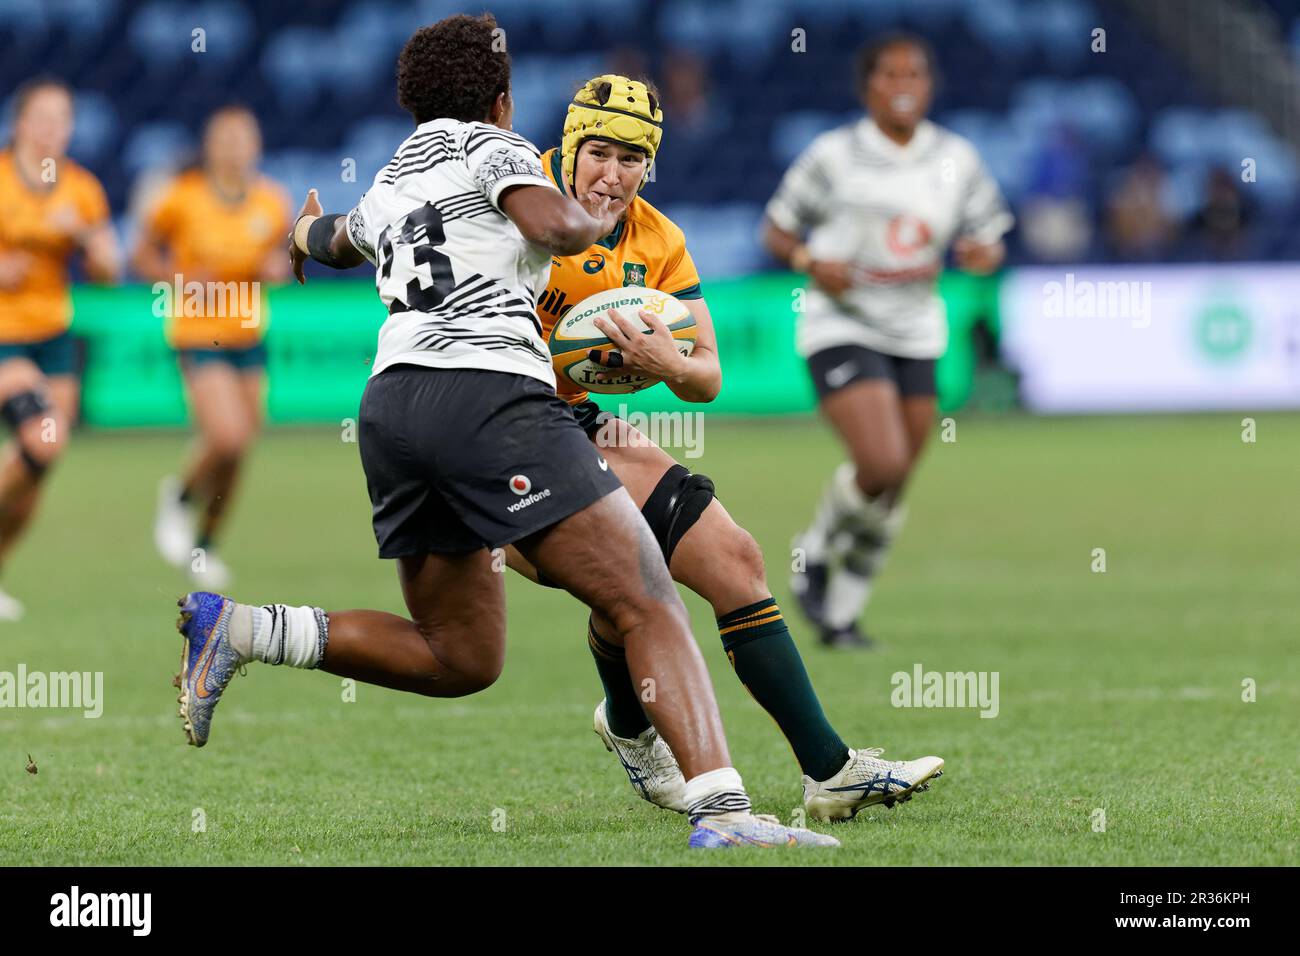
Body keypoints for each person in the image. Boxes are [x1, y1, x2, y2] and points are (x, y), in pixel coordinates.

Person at [170, 14, 835, 850]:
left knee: (460, 655)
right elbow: (551, 225)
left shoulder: (396, 175)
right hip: (490, 397)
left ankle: (240, 629)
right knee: (645, 595)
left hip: (392, 407)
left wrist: (301, 232)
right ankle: (726, 814)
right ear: (502, 101)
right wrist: (587, 222)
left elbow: (334, 240)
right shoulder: (499, 149)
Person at [504, 74, 943, 820]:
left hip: (572, 421)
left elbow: (706, 376)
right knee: (619, 583)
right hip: (488, 436)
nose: (612, 175)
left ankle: (830, 772)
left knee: (732, 558)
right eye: (599, 153)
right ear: (568, 148)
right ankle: (632, 725)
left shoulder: (658, 241)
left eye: (632, 159)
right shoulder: (513, 201)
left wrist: (666, 364)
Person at [762, 33, 1012, 647]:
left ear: (930, 85)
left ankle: (842, 614)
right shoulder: (834, 154)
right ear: (867, 86)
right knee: (881, 462)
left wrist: (983, 253)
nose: (904, 85)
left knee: (896, 483)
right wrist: (808, 260)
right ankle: (813, 551)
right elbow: (776, 229)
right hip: (842, 322)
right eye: (890, 74)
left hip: (917, 329)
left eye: (915, 74)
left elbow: (990, 237)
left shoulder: (955, 158)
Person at [134, 106, 291, 588]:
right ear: (209, 147)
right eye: (226, 139)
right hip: (199, 332)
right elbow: (141, 256)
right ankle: (180, 496)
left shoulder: (271, 201)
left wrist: (279, 269)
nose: (235, 149)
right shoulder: (182, 199)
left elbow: (282, 260)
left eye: (244, 139)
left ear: (256, 147)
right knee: (227, 436)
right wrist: (179, 278)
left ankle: (205, 545)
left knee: (239, 449)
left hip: (248, 332)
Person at [0, 77, 120, 620]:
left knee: (41, 461)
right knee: (42, 440)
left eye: (62, 119)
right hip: (5, 335)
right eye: (41, 117)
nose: (52, 129)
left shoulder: (80, 189)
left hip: (53, 335)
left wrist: (87, 240)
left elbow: (108, 273)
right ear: (20, 123)